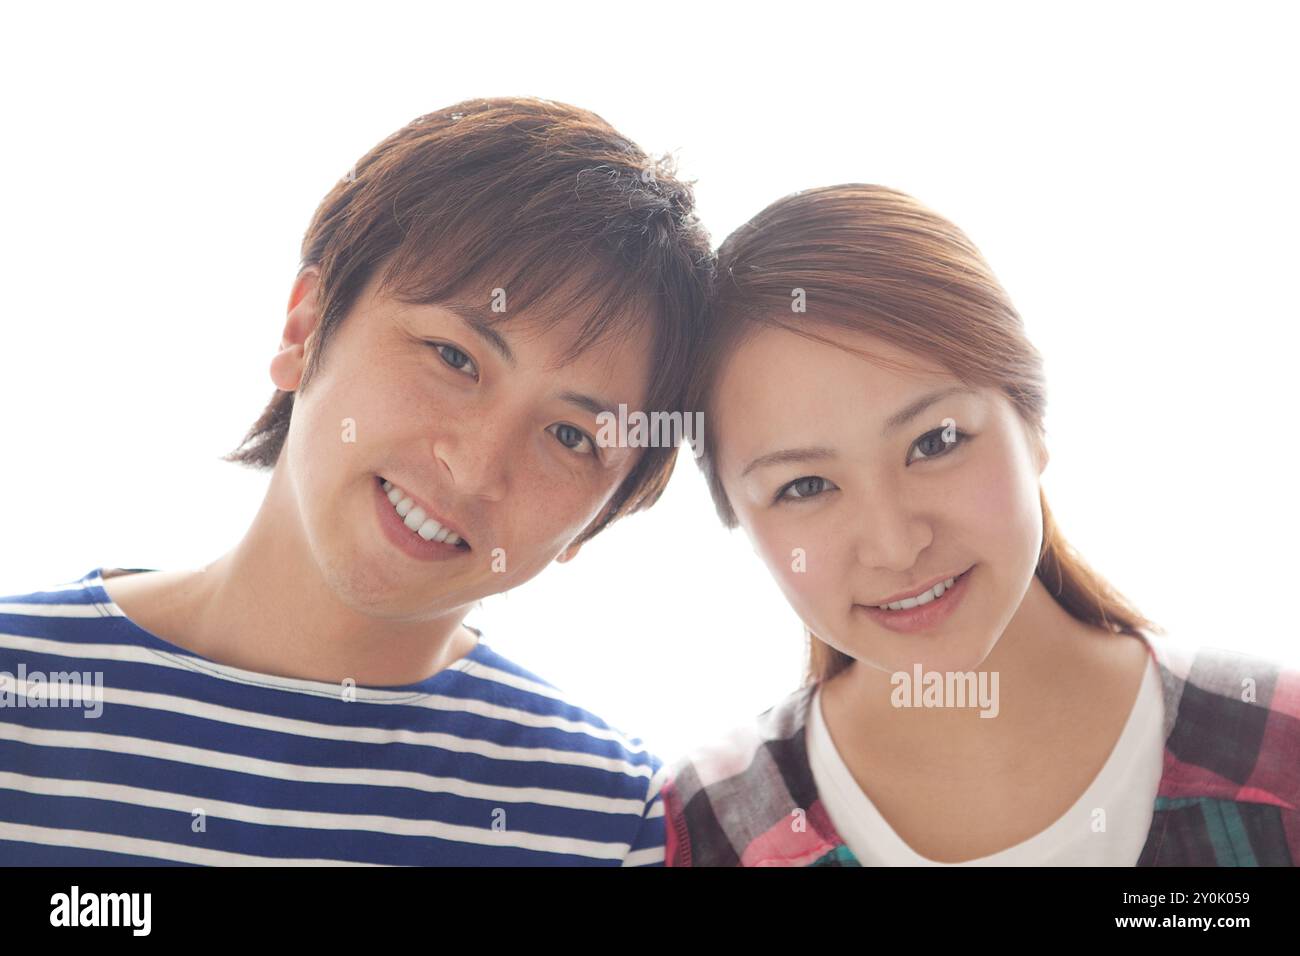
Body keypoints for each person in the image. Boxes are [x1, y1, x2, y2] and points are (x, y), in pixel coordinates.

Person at [0, 97, 714, 865]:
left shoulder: (612, 823)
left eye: (571, 437)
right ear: (305, 329)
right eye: (453, 358)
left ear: (601, 513)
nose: (474, 467)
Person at [662, 184, 1299, 867]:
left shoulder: (1278, 747)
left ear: (1032, 423)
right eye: (806, 486)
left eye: (935, 442)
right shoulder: (706, 831)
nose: (896, 544)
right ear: (736, 517)